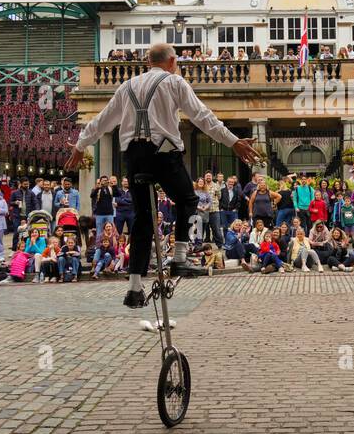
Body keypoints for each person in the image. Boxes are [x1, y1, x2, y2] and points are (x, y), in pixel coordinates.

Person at [68, 42, 259, 307]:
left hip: (134, 158)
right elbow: (203, 117)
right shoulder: (174, 82)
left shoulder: (126, 87)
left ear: (148, 62)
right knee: (188, 199)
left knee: (143, 219)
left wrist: (80, 146)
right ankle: (180, 258)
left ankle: (134, 288)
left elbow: (101, 121)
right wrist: (233, 141)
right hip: (164, 153)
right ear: (171, 62)